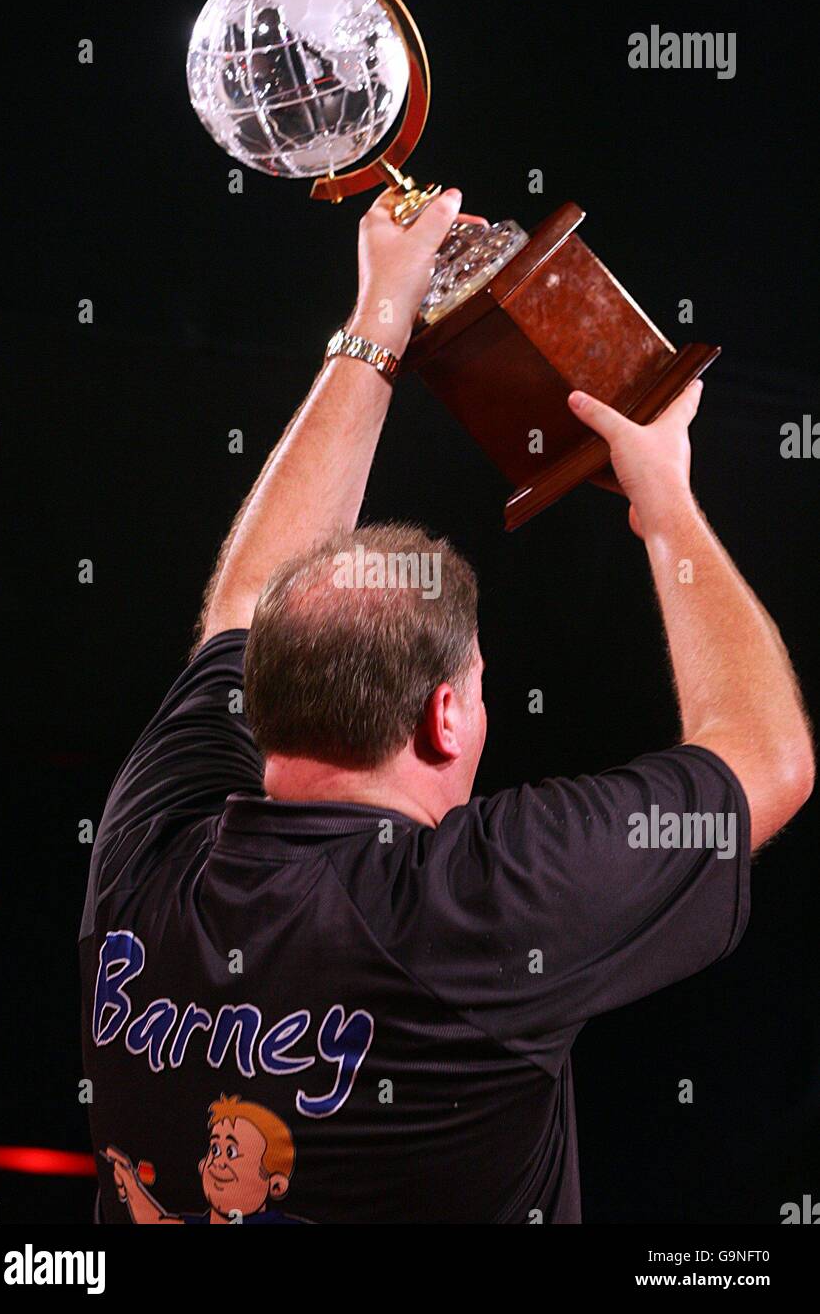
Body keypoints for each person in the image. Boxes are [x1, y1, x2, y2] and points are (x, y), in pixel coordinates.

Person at [80, 188, 814, 1224]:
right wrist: (666, 503)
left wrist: (379, 316)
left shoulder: (149, 854)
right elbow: (766, 758)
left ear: (257, 698)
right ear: (445, 719)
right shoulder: (480, 904)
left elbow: (245, 599)